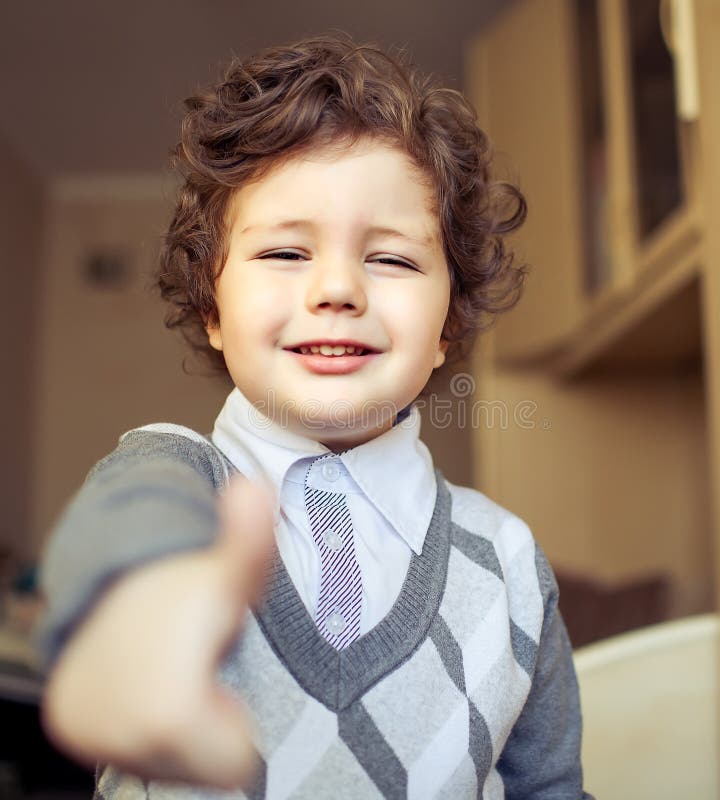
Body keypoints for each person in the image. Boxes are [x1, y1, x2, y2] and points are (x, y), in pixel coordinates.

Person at [35, 34, 591, 799]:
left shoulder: (510, 561)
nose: (337, 289)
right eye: (285, 254)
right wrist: (132, 622)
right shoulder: (172, 476)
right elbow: (124, 532)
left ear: (448, 328)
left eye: (391, 259)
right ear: (212, 309)